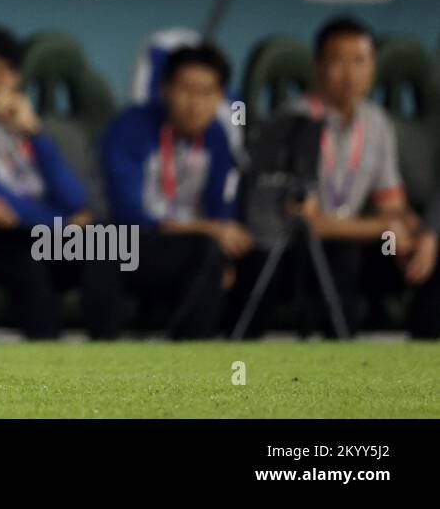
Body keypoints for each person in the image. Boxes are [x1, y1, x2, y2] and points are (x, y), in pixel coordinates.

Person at [236, 17, 440, 337]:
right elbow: (306, 222)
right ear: (317, 67)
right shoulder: (295, 120)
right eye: (338, 61)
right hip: (291, 254)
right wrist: (382, 227)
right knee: (344, 253)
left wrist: (424, 236)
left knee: (423, 252)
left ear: (373, 68)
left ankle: (425, 355)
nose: (350, 74)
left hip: (353, 239)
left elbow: (392, 203)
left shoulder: (376, 123)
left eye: (360, 61)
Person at [0, 26, 95, 338]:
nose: (1, 80)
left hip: (49, 234)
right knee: (29, 257)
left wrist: (34, 133)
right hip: (4, 238)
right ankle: (50, 363)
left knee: (111, 249)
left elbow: (74, 197)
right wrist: (61, 225)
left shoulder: (29, 128)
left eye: (10, 71)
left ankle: (111, 363)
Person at [93, 43, 250, 338]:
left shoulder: (217, 137)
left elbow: (221, 207)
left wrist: (223, 252)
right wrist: (209, 230)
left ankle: (202, 359)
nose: (196, 103)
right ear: (164, 88)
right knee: (104, 248)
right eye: (186, 90)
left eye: (207, 93)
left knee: (240, 252)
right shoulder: (130, 128)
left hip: (186, 246)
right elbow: (128, 214)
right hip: (131, 244)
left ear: (220, 97)